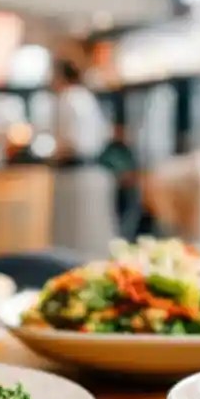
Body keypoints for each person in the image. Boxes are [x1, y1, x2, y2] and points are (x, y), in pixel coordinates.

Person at [49, 60, 117, 256]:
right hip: (95, 172)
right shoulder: (87, 97)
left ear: (61, 76)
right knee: (95, 237)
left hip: (74, 175)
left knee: (73, 241)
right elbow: (104, 133)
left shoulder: (67, 98)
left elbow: (70, 142)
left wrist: (51, 155)